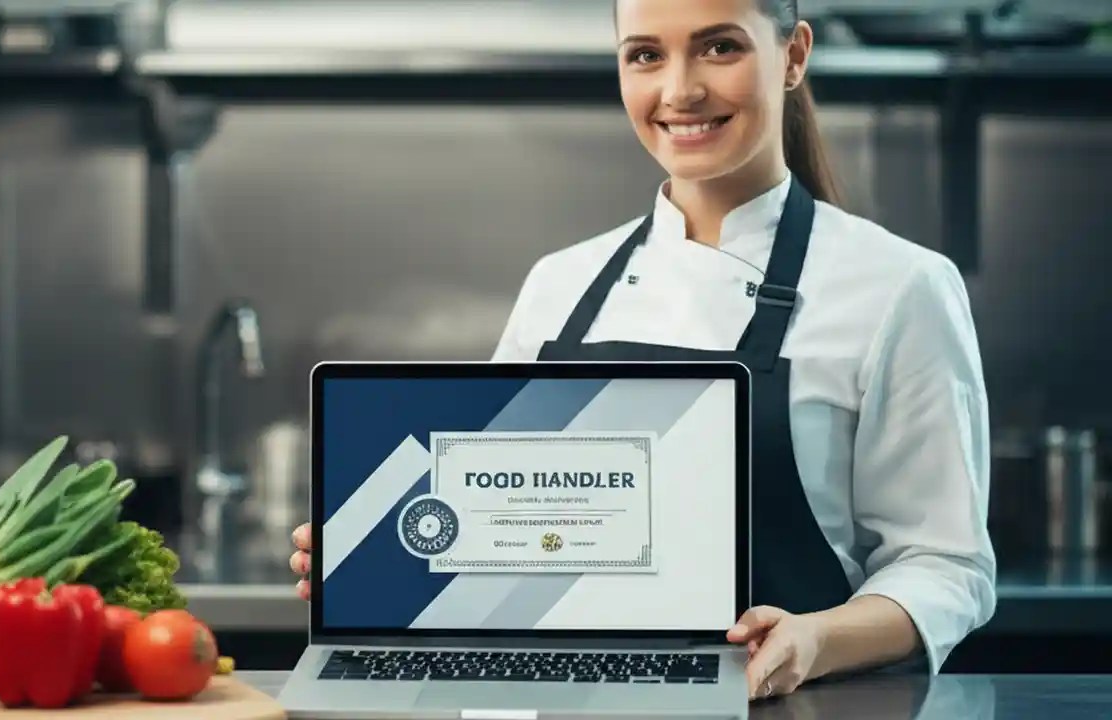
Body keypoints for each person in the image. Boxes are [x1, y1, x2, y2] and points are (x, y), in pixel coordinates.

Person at [290, 0, 996, 702]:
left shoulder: (898, 286)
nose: (679, 90)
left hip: (789, 707)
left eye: (720, 48)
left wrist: (814, 639)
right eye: (645, 55)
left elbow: (944, 566)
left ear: (794, 55)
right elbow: (502, 531)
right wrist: (376, 554)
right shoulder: (558, 285)